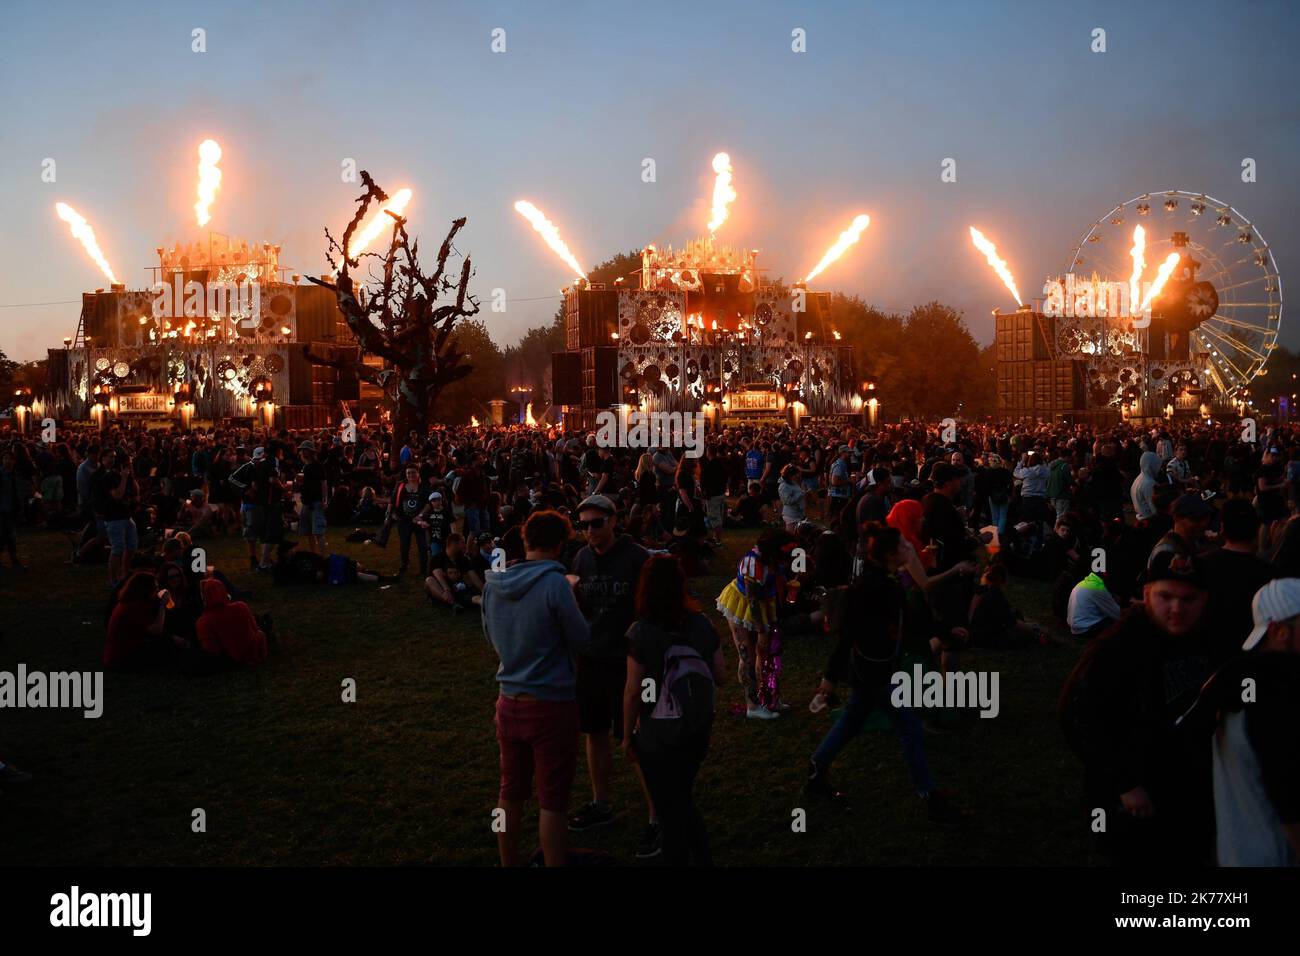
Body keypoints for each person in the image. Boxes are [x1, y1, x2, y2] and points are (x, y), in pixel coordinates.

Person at [1057, 550, 1213, 865]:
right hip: (1131, 796)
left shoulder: (1204, 639)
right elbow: (1076, 715)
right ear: (1146, 594)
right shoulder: (1118, 646)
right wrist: (1125, 782)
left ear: (1204, 599)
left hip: (1185, 784)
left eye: (1189, 599)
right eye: (1165, 597)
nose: (1177, 608)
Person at [805, 522, 962, 823]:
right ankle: (929, 795)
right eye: (904, 546)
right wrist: (829, 676)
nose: (910, 549)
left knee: (853, 719)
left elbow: (912, 619)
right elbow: (848, 634)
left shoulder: (888, 583)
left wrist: (946, 631)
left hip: (876, 667)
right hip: (872, 671)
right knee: (910, 728)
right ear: (892, 554)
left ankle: (816, 768)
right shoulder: (870, 587)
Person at [481, 509, 591, 867]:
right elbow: (581, 638)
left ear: (526, 541)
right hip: (550, 704)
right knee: (552, 802)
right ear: (560, 545)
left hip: (508, 700)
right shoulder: (556, 584)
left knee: (509, 793)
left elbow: (490, 637)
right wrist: (572, 593)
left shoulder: (493, 585)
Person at [566, 494, 658, 854]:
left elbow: (650, 604)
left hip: (628, 659)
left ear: (614, 520)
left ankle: (657, 818)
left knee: (637, 739)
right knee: (594, 732)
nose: (590, 530)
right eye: (584, 524)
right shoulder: (582, 557)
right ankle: (600, 803)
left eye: (597, 523)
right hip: (591, 658)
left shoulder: (635, 557)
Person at [623, 554, 725, 866]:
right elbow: (719, 675)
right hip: (696, 729)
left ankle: (684, 855)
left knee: (671, 806)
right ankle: (697, 855)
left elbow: (633, 692)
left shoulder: (640, 632)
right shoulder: (702, 624)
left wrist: (627, 735)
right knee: (680, 796)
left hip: (657, 736)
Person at [1199, 579, 1300, 866]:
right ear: (1279, 631)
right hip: (1276, 856)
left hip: (1238, 851)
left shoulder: (1236, 683)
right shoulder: (1275, 696)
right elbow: (1289, 796)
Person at [716, 528, 796, 720]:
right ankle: (752, 704)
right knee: (748, 655)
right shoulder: (753, 562)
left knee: (767, 654)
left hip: (763, 604)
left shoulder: (774, 560)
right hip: (743, 605)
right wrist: (760, 628)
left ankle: (769, 698)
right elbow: (752, 599)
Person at [1199, 497, 1275, 666]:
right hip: (1251, 660)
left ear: (1222, 528)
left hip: (1209, 659)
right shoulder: (1269, 574)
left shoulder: (1200, 565)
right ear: (1256, 530)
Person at [196, 577, 269, 667]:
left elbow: (211, 649)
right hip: (251, 651)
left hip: (228, 660)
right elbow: (255, 629)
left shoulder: (204, 621)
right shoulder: (240, 606)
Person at [297, 440, 328, 555]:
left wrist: (324, 499)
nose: (302, 453)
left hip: (316, 502)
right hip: (306, 502)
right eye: (302, 450)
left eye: (305, 450)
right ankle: (314, 554)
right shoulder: (305, 466)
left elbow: (323, 483)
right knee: (309, 532)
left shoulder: (317, 466)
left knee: (318, 532)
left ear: (310, 452)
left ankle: (322, 556)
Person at [778, 463, 808, 532]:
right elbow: (787, 501)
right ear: (789, 475)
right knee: (791, 536)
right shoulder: (783, 486)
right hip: (791, 515)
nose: (797, 476)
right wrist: (801, 494)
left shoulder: (792, 483)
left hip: (798, 514)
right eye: (795, 474)